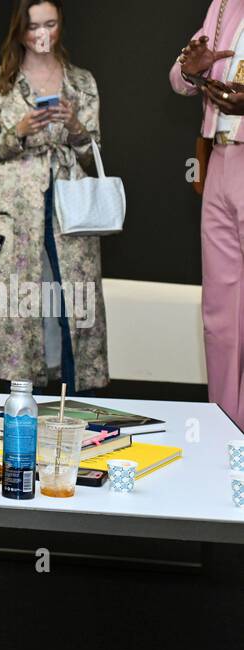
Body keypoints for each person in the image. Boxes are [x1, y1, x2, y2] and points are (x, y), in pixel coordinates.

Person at [0, 0, 109, 397]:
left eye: (50, 24)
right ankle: (18, 404)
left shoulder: (82, 82)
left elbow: (93, 155)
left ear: (61, 25)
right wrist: (19, 130)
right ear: (19, 31)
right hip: (16, 207)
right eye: (33, 27)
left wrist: (75, 127)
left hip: (70, 205)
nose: (42, 34)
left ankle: (74, 398)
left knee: (74, 301)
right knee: (16, 303)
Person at [172, 0, 244, 431]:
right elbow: (179, 78)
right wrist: (191, 71)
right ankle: (226, 434)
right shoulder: (225, 4)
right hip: (219, 160)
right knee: (219, 315)